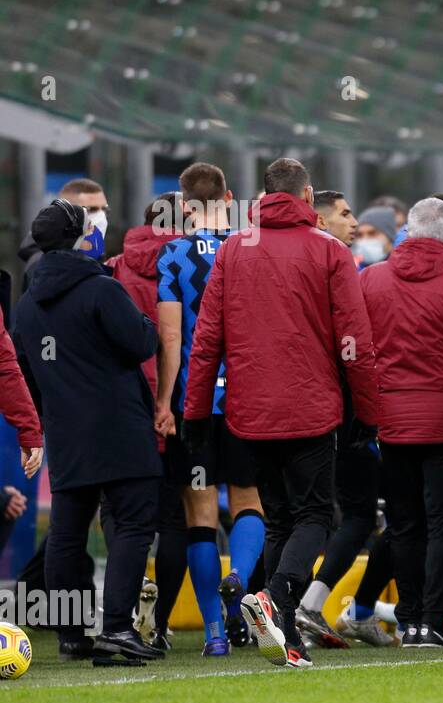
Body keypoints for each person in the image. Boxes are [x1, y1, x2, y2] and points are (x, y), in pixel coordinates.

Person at [183, 158, 379, 670]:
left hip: (248, 410)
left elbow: (206, 342)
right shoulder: (330, 251)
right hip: (312, 407)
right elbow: (354, 342)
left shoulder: (233, 249)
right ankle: (273, 596)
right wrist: (369, 410)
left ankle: (285, 638)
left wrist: (197, 414)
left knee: (277, 522)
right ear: (308, 196)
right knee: (316, 515)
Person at [14, 200, 159, 663]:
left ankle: (71, 635)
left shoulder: (26, 306)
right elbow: (140, 342)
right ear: (82, 238)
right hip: (119, 425)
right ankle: (117, 627)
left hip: (65, 430)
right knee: (133, 524)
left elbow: (27, 373)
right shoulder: (100, 288)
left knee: (66, 533)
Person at [361, 197, 443, 647]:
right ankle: (432, 620)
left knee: (404, 524)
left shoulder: (370, 281)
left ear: (409, 232)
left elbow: (359, 352)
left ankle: (410, 618)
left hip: (391, 421)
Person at [156, 163, 267, 657]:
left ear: (182, 205)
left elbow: (171, 337)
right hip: (249, 398)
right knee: (249, 502)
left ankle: (214, 632)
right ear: (231, 196)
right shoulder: (252, 249)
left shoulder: (174, 254)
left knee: (199, 511)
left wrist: (165, 402)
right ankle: (239, 582)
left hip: (195, 403)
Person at [107, 192, 188, 648]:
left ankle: (123, 606)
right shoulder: (189, 262)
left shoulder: (114, 267)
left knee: (119, 512)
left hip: (121, 406)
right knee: (174, 517)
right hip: (176, 403)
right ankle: (159, 625)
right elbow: (178, 333)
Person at [295, 187, 373, 649]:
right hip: (335, 408)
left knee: (291, 513)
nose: (353, 220)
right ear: (322, 221)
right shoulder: (337, 264)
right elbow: (355, 344)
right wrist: (366, 410)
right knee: (354, 512)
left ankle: (276, 606)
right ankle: (302, 605)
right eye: (345, 213)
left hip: (291, 405)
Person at [19, 178, 110, 278]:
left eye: (105, 209)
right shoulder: (44, 265)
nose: (101, 216)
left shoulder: (93, 255)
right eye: (90, 209)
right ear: (65, 213)